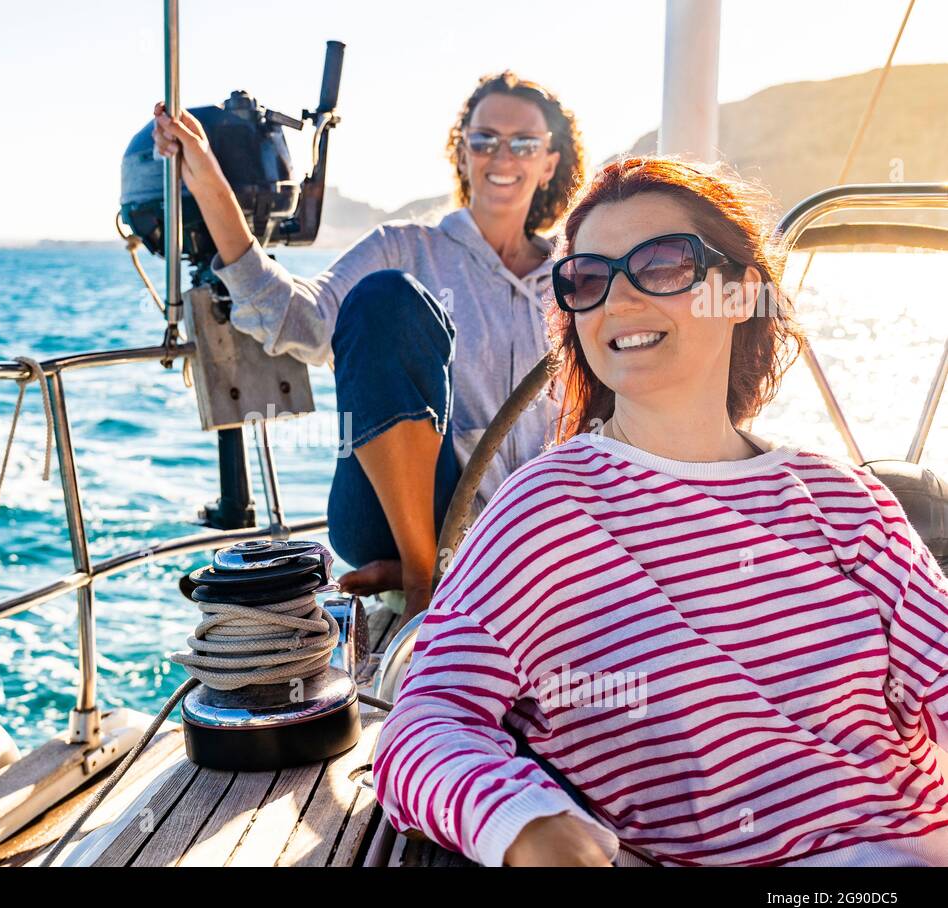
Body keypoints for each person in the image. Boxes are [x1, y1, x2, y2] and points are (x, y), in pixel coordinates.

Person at [373, 156, 948, 867]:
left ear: (740, 294)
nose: (618, 300)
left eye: (664, 264)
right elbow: (426, 723)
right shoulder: (548, 511)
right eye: (587, 279)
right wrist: (529, 827)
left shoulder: (843, 500)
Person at [151, 72, 584, 625]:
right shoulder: (403, 246)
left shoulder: (576, 274)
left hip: (532, 535)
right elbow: (295, 319)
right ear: (463, 150)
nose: (503, 155)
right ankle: (424, 581)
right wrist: (210, 179)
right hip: (401, 520)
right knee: (385, 298)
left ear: (549, 160)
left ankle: (477, 566)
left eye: (524, 143)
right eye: (485, 139)